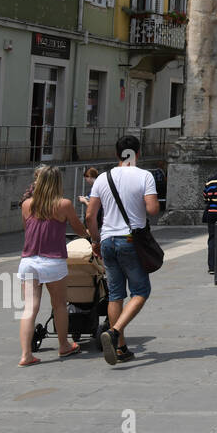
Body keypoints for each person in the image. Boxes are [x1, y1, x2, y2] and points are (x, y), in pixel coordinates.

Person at [85, 135, 159, 366]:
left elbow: (89, 215)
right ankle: (115, 332)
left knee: (115, 294)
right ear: (137, 154)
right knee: (141, 291)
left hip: (107, 239)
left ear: (117, 154)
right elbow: (153, 209)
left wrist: (96, 240)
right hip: (130, 240)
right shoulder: (145, 176)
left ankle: (121, 348)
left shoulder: (103, 177)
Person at [18, 166, 90, 366]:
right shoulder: (64, 204)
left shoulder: (26, 205)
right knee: (59, 305)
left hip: (29, 261)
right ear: (57, 182)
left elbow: (28, 230)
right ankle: (64, 345)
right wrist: (90, 234)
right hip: (53, 262)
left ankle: (25, 355)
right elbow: (79, 230)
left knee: (29, 309)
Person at [77, 166, 103, 231]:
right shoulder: (99, 185)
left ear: (90, 176)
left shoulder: (96, 186)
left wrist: (84, 201)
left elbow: (93, 206)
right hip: (97, 217)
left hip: (96, 218)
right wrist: (86, 198)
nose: (87, 181)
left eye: (86, 179)